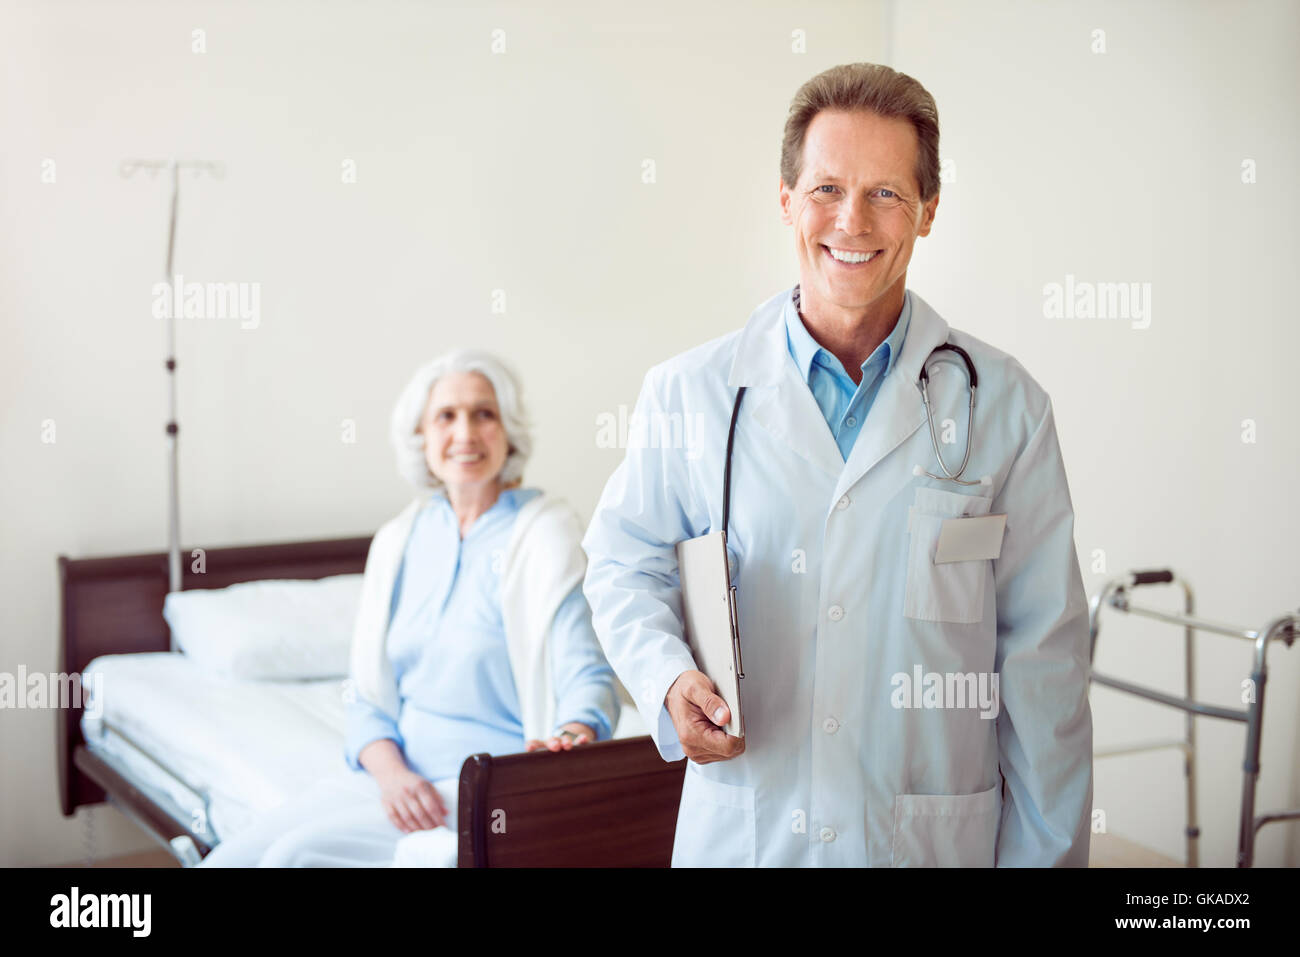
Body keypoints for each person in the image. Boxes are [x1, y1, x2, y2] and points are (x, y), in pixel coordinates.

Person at [581, 63, 1093, 867]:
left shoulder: (1008, 408)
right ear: (785, 199)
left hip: (927, 844)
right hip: (748, 836)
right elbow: (622, 561)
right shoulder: (692, 392)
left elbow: (1045, 673)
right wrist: (667, 677)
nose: (851, 220)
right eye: (826, 188)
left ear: (927, 212)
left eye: (886, 193)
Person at [203, 349, 620, 867]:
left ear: (509, 432)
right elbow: (366, 697)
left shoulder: (544, 531)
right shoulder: (398, 541)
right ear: (421, 438)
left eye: (484, 414)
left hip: (489, 786)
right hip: (395, 779)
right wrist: (393, 776)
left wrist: (573, 736)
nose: (465, 433)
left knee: (293, 858)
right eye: (446, 416)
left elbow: (588, 672)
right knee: (232, 859)